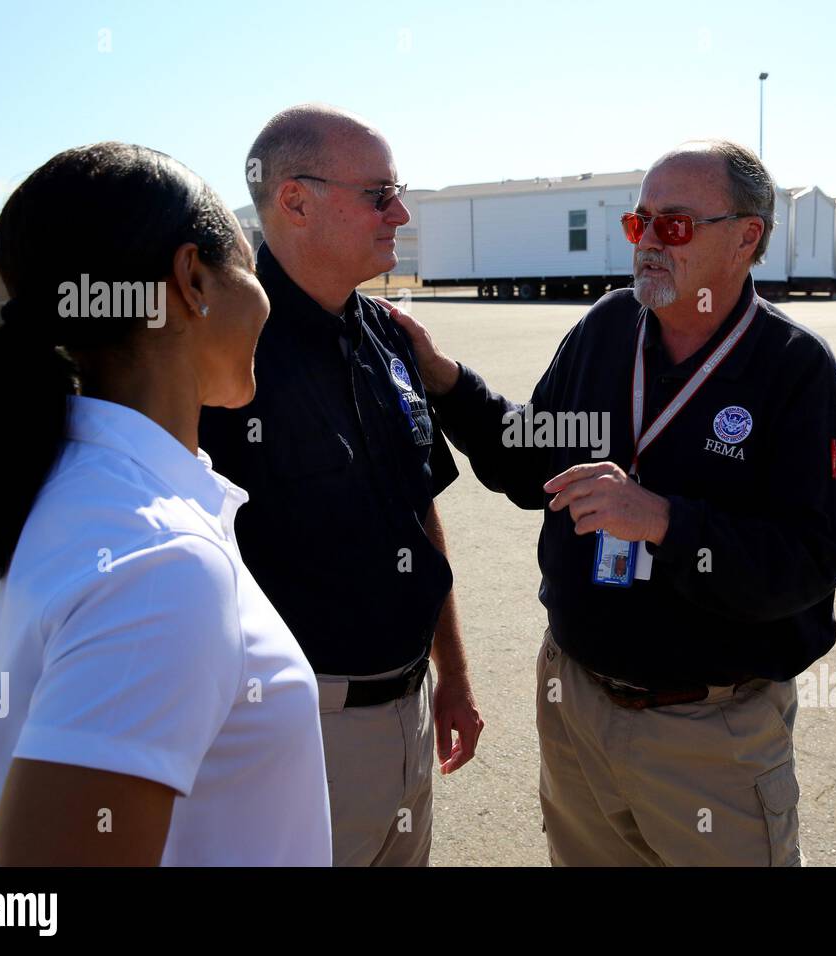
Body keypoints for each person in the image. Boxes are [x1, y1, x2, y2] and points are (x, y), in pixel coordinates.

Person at [389, 140, 836, 866]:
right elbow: (533, 454)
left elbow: (810, 558)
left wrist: (666, 523)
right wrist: (450, 382)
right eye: (637, 224)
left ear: (746, 238)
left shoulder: (793, 370)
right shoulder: (610, 326)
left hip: (709, 732)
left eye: (672, 225)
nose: (647, 243)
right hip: (576, 704)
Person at [0, 142, 330, 866]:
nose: (264, 296)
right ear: (191, 279)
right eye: (247, 264)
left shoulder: (23, 490)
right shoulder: (156, 559)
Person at [199, 105, 483, 867]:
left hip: (409, 711)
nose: (402, 213)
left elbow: (418, 511)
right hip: (290, 730)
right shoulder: (214, 350)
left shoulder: (389, 337)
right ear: (294, 200)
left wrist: (451, 676)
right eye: (380, 193)